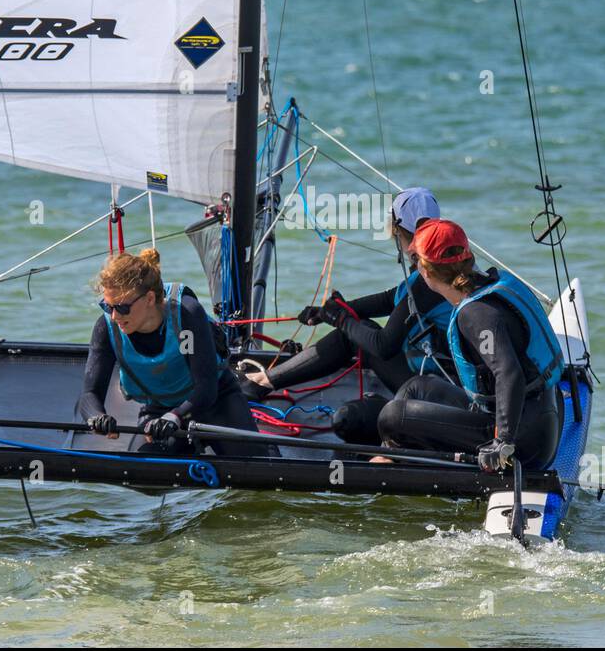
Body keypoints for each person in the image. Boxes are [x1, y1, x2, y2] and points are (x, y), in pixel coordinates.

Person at [240, 187, 455, 443]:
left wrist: (341, 320)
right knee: (358, 326)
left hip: (438, 394)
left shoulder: (428, 283)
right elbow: (390, 299)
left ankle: (262, 383)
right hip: (439, 384)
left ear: (398, 232)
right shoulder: (446, 261)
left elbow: (384, 346)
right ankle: (266, 380)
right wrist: (332, 311)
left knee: (353, 336)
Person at [375, 219, 564, 473]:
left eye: (416, 262)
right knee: (416, 387)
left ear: (426, 272)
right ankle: (393, 454)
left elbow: (509, 373)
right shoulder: (491, 284)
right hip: (537, 414)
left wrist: (503, 442)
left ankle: (401, 460)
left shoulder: (475, 314)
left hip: (522, 440)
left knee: (392, 416)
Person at [77, 248, 267, 457]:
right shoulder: (106, 328)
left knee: (257, 466)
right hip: (159, 410)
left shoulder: (186, 315)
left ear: (149, 299)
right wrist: (96, 417)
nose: (114, 316)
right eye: (107, 306)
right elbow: (90, 394)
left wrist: (176, 416)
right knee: (144, 476)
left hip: (215, 402)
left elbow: (206, 387)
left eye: (122, 308)